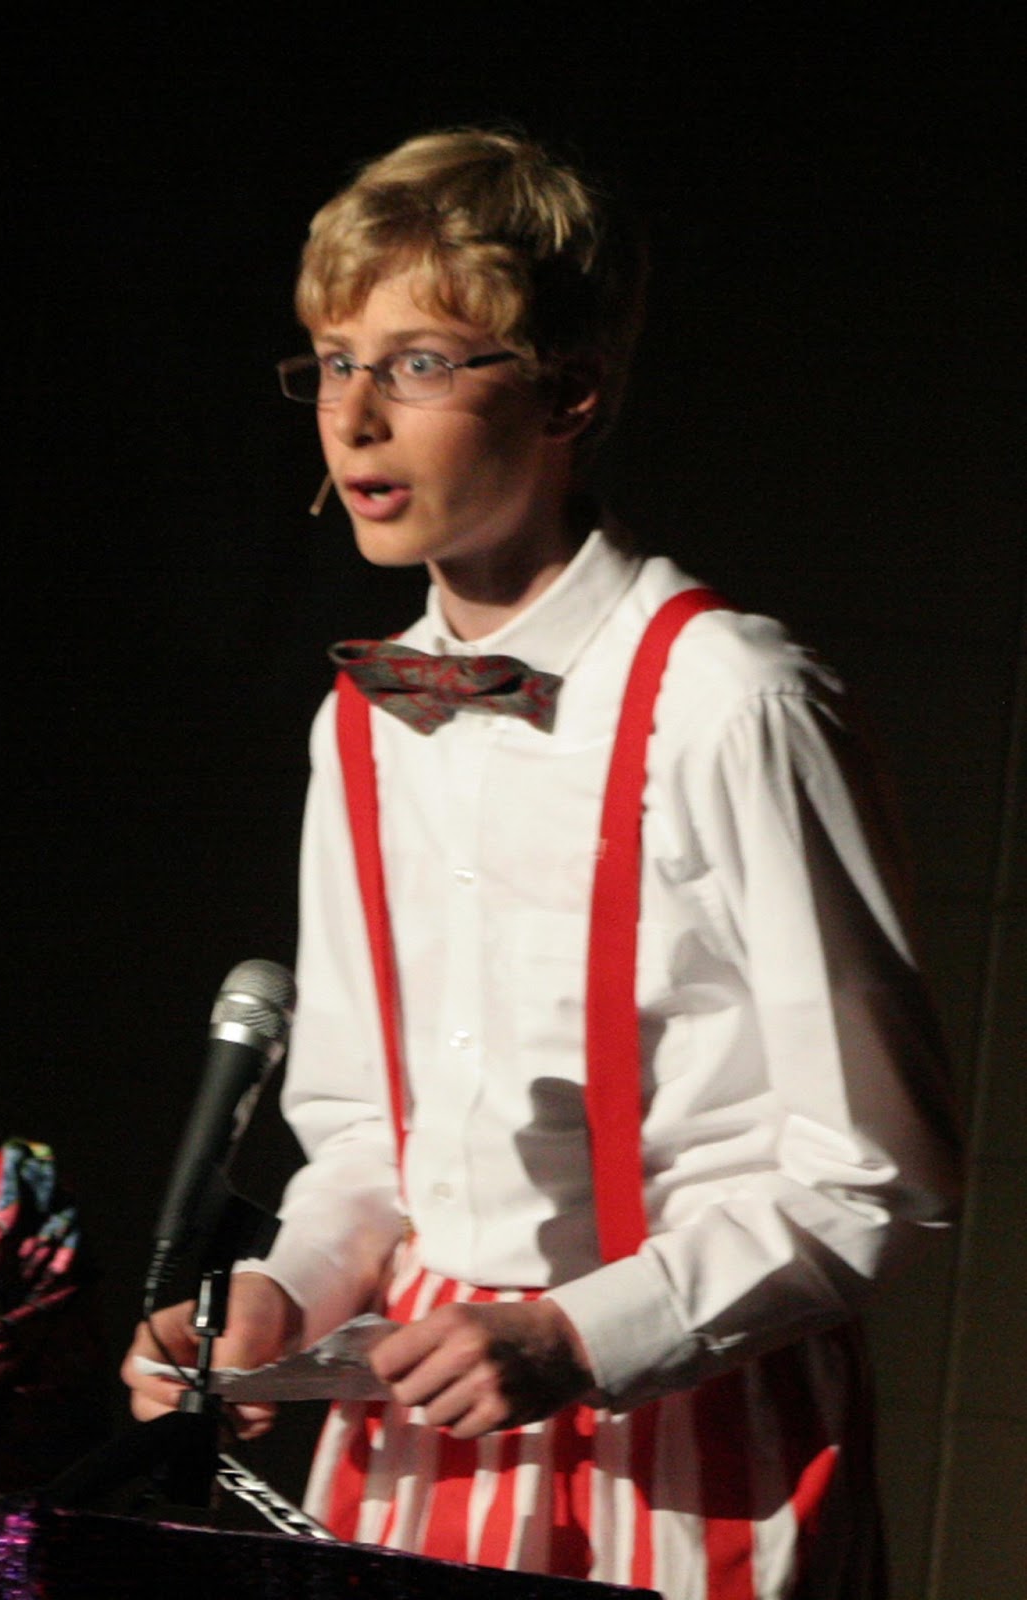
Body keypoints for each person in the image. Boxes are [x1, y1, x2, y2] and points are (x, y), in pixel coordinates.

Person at [123, 128, 961, 1598]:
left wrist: (583, 1334)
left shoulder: (730, 700)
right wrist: (279, 1295)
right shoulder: (365, 718)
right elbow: (373, 1134)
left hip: (693, 1429)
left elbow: (875, 1174)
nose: (355, 417)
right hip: (415, 1425)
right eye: (331, 361)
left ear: (569, 388)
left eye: (422, 362)